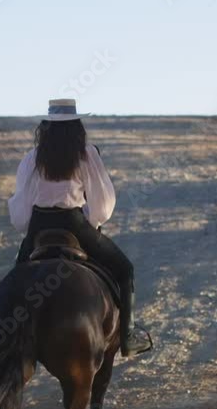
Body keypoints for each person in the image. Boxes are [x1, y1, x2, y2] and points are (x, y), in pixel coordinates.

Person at [8, 99, 152, 357]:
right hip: (73, 224)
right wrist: (92, 221)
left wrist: (28, 229)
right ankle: (128, 338)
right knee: (124, 269)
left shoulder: (32, 158)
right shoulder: (86, 154)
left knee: (15, 279)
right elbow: (102, 201)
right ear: (76, 125)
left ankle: (8, 341)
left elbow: (21, 204)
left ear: (46, 125)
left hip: (39, 224)